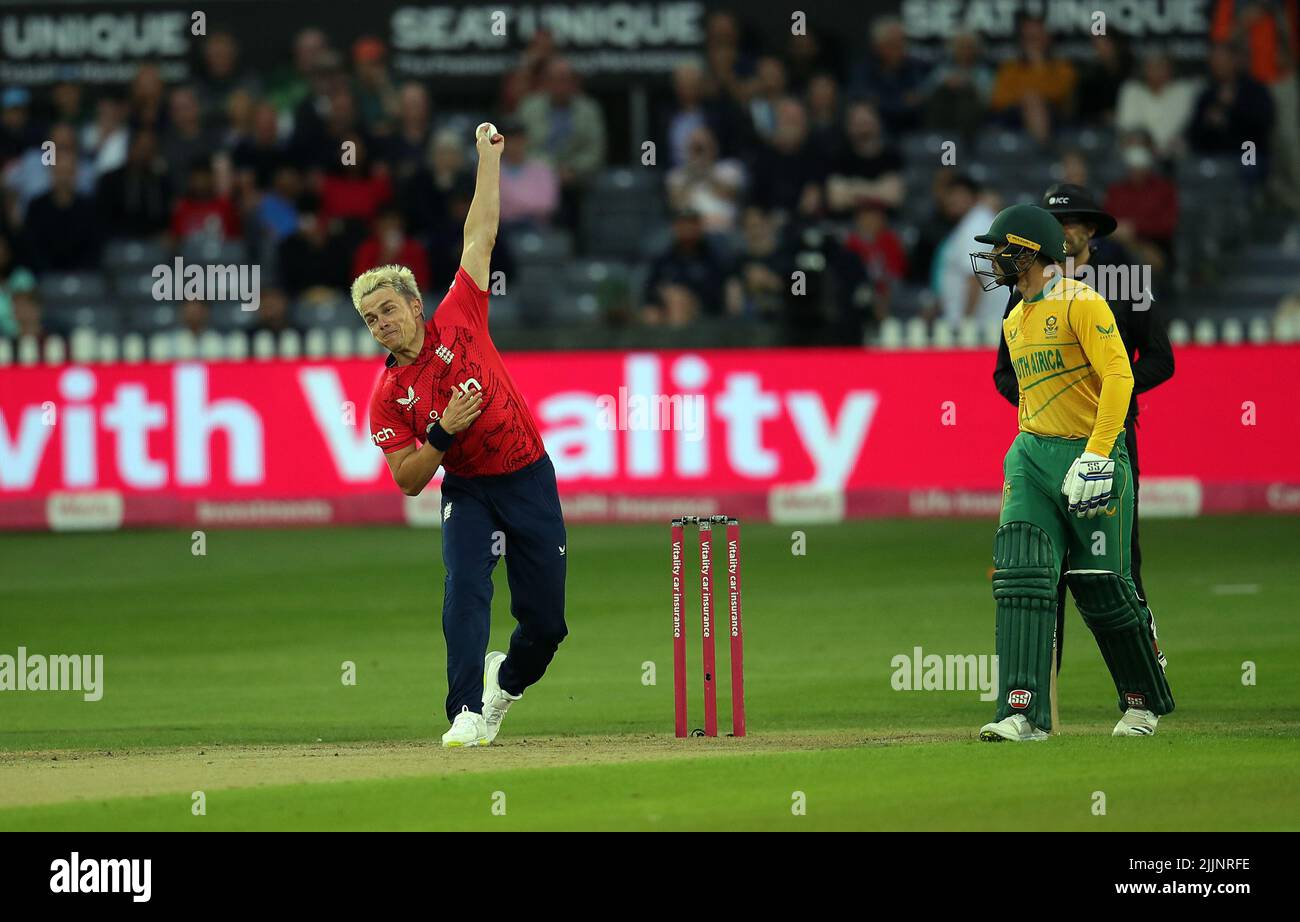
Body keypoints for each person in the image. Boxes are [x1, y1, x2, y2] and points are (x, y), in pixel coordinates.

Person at [360, 124, 567, 748]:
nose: (382, 325)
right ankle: (465, 711)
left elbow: (480, 233)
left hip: (528, 474)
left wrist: (487, 159)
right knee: (466, 589)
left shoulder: (462, 310)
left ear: (415, 304)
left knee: (547, 624)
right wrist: (442, 432)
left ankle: (504, 684)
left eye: (388, 310)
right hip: (468, 489)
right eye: (370, 320)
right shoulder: (386, 397)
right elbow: (409, 482)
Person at [969, 204, 1174, 742]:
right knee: (1021, 579)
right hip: (1032, 456)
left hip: (1093, 457)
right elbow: (1029, 395)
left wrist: (1100, 453)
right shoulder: (1014, 318)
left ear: (1031, 253)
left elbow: (1119, 377)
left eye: (1001, 249)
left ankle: (1141, 703)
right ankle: (1021, 710)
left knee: (1101, 583)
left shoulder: (1083, 302)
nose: (992, 259)